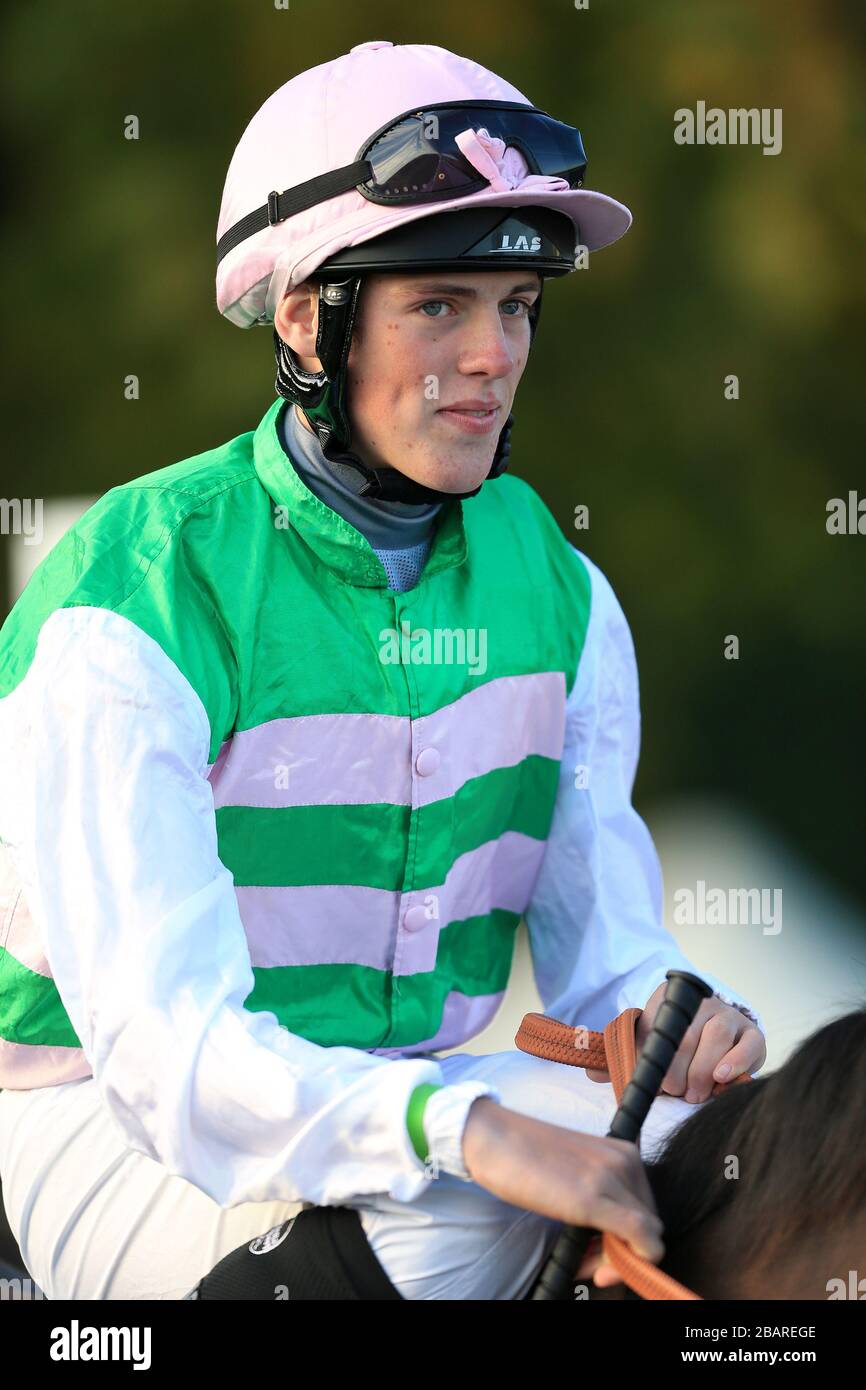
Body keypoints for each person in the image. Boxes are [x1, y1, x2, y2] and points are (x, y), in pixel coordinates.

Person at [0, 40, 766, 1301]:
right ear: (306, 315)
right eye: (439, 305)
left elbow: (607, 968)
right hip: (118, 1127)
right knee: (466, 1211)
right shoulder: (133, 592)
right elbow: (172, 1056)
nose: (492, 356)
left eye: (513, 307)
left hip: (423, 1094)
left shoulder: (562, 594)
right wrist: (464, 1131)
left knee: (758, 1154)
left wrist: (686, 1020)